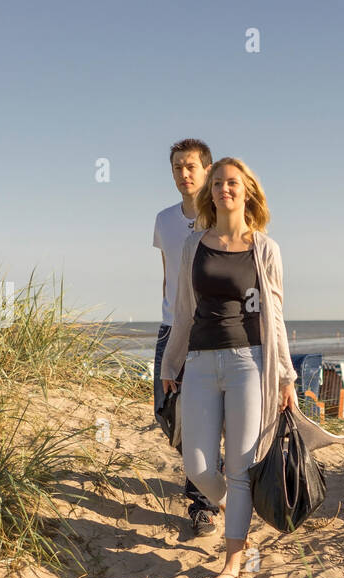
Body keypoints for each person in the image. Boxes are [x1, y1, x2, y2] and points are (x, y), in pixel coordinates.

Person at [161, 157, 344, 578]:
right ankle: (231, 504)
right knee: (198, 467)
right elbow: (184, 311)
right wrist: (171, 363)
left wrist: (286, 376)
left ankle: (233, 559)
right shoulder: (194, 244)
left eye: (233, 183)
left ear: (247, 192)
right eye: (219, 183)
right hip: (200, 362)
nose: (225, 188)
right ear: (211, 192)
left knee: (242, 467)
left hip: (251, 364)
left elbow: (276, 315)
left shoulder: (264, 248)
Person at [152, 137, 222, 535]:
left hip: (209, 330)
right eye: (177, 167)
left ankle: (203, 503)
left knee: (202, 418)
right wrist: (167, 313)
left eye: (191, 166)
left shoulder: (221, 217)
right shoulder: (163, 220)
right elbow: (168, 272)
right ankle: (215, 472)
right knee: (166, 410)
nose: (183, 173)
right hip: (170, 327)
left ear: (207, 170)